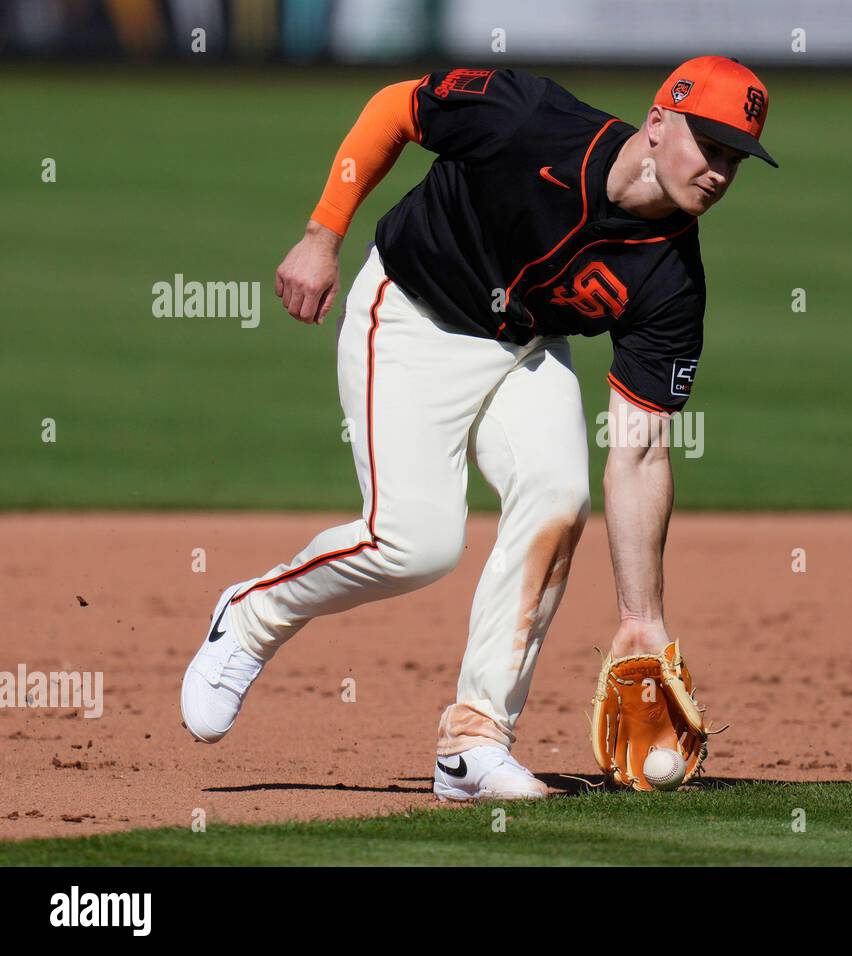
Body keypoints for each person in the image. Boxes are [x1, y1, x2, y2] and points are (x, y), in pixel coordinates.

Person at [180, 55, 776, 800]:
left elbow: (641, 448)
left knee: (559, 498)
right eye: (710, 145)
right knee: (415, 546)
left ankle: (474, 742)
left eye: (736, 158)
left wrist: (641, 619)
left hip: (523, 347)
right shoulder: (528, 118)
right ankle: (250, 616)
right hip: (408, 313)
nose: (720, 171)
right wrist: (322, 234)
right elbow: (397, 107)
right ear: (658, 125)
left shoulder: (673, 283)